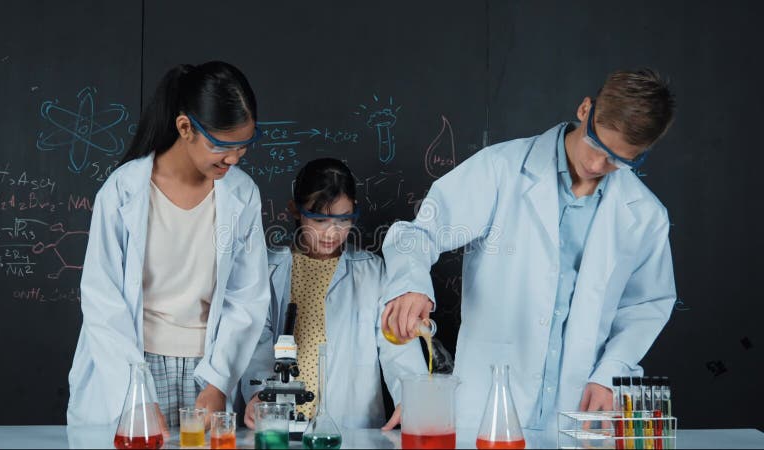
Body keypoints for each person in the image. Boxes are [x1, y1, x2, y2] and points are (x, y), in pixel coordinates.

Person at [380, 68, 677, 431]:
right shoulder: (501, 170)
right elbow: (417, 234)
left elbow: (645, 306)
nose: (598, 165)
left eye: (620, 160)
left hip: (579, 413)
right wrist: (411, 285)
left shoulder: (645, 215)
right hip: (489, 409)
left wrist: (610, 373)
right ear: (585, 110)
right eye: (598, 144)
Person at [67, 61, 270, 431]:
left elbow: (247, 298)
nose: (234, 158)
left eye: (244, 145)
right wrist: (135, 393)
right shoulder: (123, 190)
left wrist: (218, 382)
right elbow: (102, 297)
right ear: (185, 128)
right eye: (222, 145)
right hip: (134, 366)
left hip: (207, 369)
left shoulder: (243, 194)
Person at [241, 158, 427, 430]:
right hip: (279, 423)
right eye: (319, 219)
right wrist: (259, 394)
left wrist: (414, 398)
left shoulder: (371, 272)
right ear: (296, 210)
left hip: (350, 423)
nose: (332, 232)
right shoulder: (268, 270)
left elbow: (396, 343)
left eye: (343, 219)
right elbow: (257, 344)